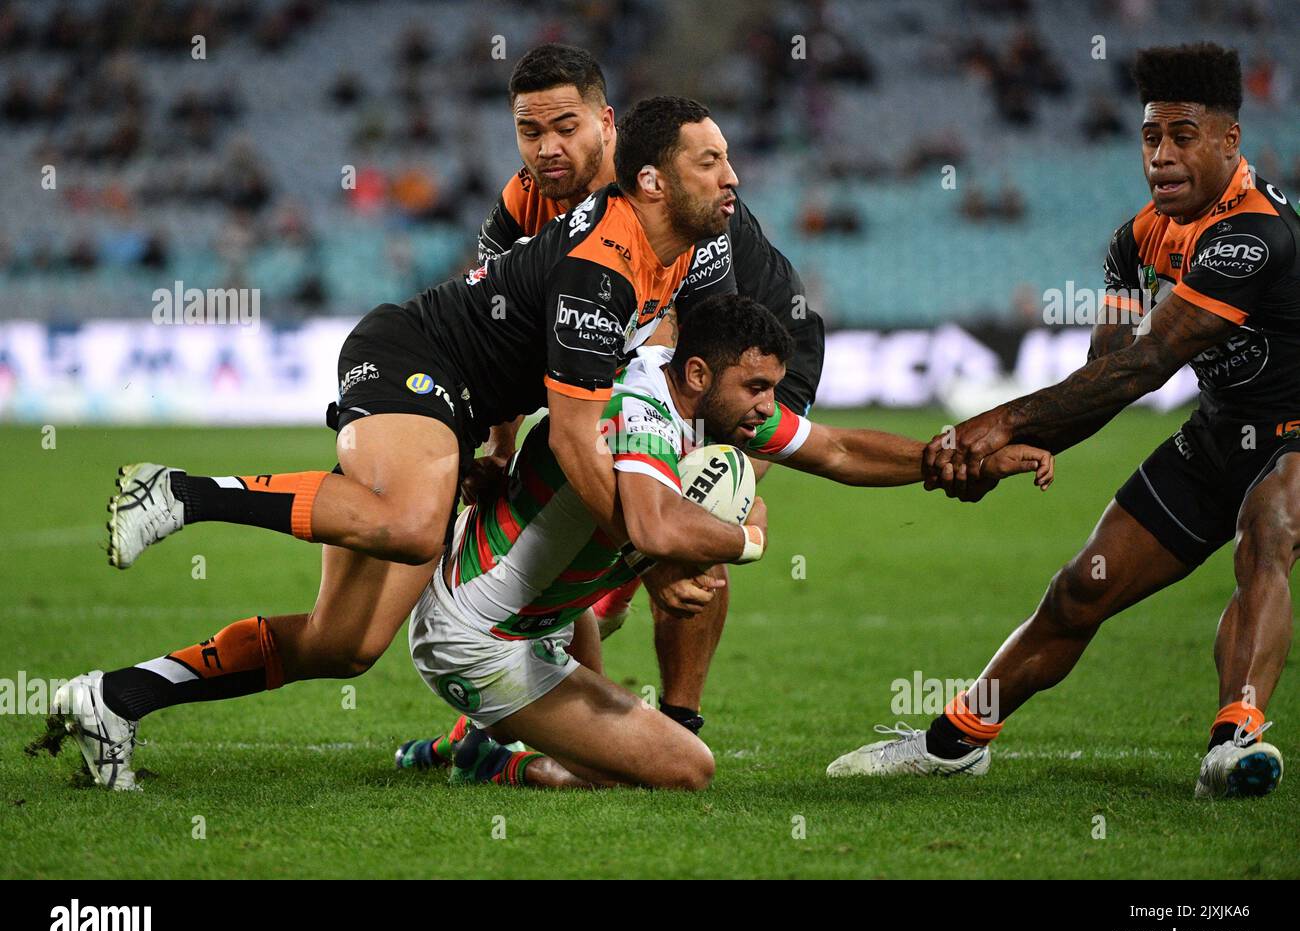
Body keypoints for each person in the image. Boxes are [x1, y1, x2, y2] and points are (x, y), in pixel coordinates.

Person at [49, 96, 745, 791]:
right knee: (412, 527)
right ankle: (181, 494)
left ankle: (116, 698)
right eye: (710, 162)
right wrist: (653, 558)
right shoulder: (605, 260)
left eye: (564, 128)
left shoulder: (663, 252)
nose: (731, 177)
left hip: (454, 412)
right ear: (651, 176)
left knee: (342, 642)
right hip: (413, 358)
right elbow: (570, 433)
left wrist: (498, 453)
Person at [828, 43, 1298, 799]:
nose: (1162, 156)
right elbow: (1104, 379)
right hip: (1220, 433)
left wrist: (993, 421)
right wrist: (1014, 444)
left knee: (1268, 528)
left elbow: (1152, 363)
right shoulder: (1134, 241)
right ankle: (953, 742)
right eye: (1151, 137)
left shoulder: (1254, 235)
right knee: (1081, 588)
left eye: (1183, 136)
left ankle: (1234, 740)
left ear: (1229, 141)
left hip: (1296, 434)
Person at [394, 295, 1053, 789]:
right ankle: (496, 758)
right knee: (683, 767)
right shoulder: (641, 405)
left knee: (607, 701)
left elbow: (840, 450)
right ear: (702, 372)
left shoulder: (699, 397)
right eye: (758, 387)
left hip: (538, 617)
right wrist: (752, 536)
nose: (768, 406)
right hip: (478, 636)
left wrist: (955, 455)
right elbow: (654, 526)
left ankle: (472, 733)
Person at [476, 42, 827, 735]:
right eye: (531, 131)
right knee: (589, 519)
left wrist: (656, 510)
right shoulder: (524, 199)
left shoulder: (659, 187)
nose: (547, 148)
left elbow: (699, 342)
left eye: (566, 128)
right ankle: (594, 725)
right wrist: (499, 444)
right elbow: (498, 328)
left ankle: (678, 720)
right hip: (653, 356)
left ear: (606, 125)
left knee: (700, 510)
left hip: (745, 353)